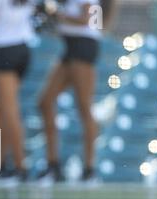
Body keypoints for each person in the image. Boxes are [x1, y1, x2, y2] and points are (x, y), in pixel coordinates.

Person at [37, 0, 101, 184]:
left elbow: (85, 19)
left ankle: (90, 169)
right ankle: (53, 165)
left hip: (83, 47)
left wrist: (56, 14)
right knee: (45, 102)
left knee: (83, 106)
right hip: (70, 47)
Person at [0, 0, 36, 181]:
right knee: (0, 106)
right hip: (22, 47)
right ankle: (1, 163)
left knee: (10, 110)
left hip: (2, 49)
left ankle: (21, 166)